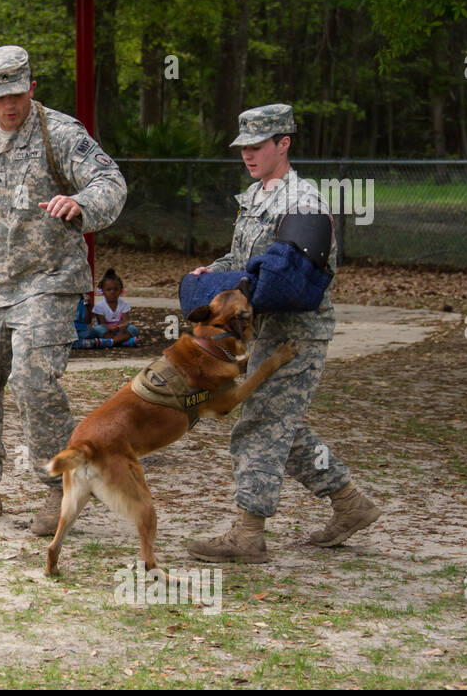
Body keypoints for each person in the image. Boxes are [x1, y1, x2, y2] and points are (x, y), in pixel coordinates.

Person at [0, 45, 127, 531]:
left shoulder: (62, 135)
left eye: (18, 93)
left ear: (31, 89)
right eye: (0, 96)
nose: (10, 104)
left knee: (33, 381)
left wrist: (80, 203)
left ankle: (59, 490)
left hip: (49, 281)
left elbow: (110, 183)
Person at [185, 103, 379, 562]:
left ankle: (248, 535)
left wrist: (239, 284)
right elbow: (244, 263)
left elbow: (288, 279)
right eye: (243, 148)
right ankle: (350, 503)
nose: (248, 155)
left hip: (297, 336)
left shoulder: (303, 202)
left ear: (283, 143)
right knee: (280, 424)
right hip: (266, 332)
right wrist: (211, 273)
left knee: (260, 425)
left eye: (257, 146)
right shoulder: (256, 198)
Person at [77, 268, 138, 348]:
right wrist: (109, 327)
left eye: (116, 289)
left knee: (133, 329)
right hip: (107, 331)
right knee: (98, 329)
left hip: (120, 331)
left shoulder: (124, 304)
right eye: (109, 290)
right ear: (102, 291)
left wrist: (122, 326)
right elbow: (102, 323)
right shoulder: (100, 306)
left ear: (121, 290)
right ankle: (122, 342)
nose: (112, 292)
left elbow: (125, 320)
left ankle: (111, 342)